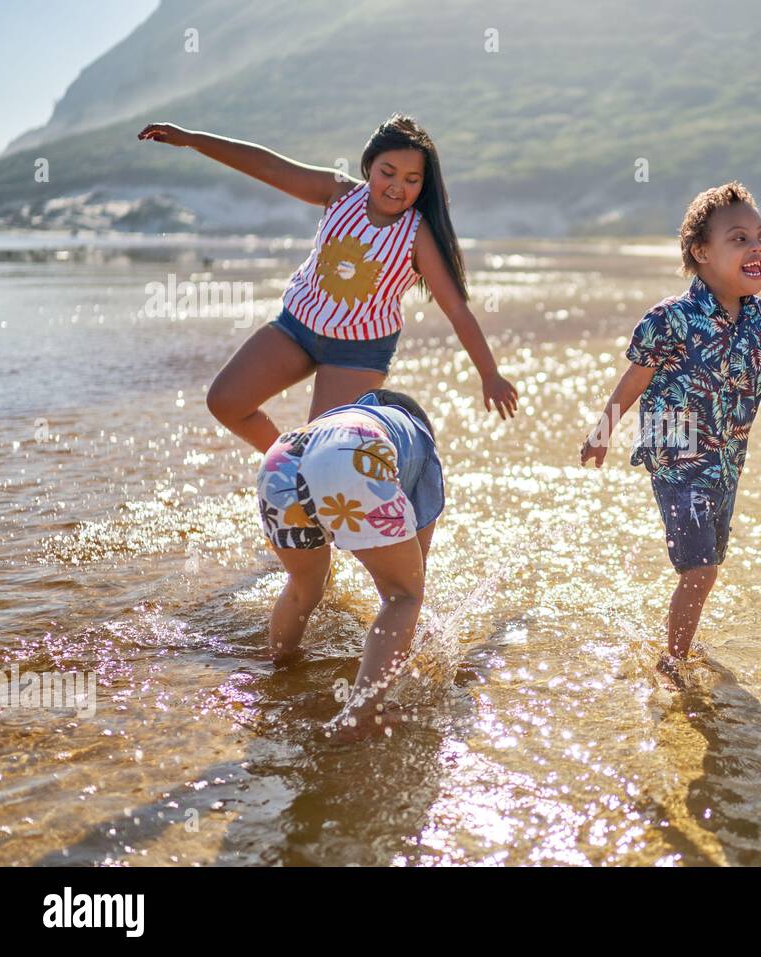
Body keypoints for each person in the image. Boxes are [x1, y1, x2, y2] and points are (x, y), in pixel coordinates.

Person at [580, 182, 761, 688]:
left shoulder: (760, 318)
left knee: (709, 561)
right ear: (701, 252)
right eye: (739, 238)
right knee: (701, 565)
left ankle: (676, 646)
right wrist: (604, 430)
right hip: (677, 456)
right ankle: (673, 661)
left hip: (728, 460)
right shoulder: (671, 319)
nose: (756, 249)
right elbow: (636, 378)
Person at [137, 114, 518, 454]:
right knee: (225, 401)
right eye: (388, 172)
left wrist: (489, 374)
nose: (397, 186)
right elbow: (267, 165)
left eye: (411, 179)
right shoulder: (339, 192)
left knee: (323, 457)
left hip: (358, 353)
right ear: (369, 166)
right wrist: (192, 139)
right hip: (297, 327)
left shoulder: (417, 236)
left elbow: (455, 309)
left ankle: (311, 479)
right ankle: (288, 464)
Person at [256, 388, 443, 740]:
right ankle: (361, 715)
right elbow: (417, 556)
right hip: (353, 453)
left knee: (302, 589)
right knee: (403, 596)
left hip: (279, 459)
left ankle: (280, 662)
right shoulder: (420, 440)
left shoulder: (346, 413)